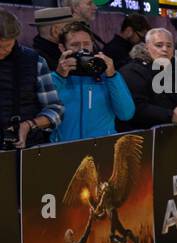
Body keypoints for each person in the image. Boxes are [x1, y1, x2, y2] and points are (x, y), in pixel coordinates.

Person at [49, 21, 133, 141]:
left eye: (87, 44)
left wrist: (112, 76)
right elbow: (43, 114)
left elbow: (126, 114)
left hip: (102, 148)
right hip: (64, 150)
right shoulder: (54, 77)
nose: (82, 49)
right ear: (62, 48)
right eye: (75, 45)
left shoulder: (107, 76)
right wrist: (59, 76)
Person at [0, 9, 63, 146]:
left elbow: (55, 109)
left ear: (15, 38)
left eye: (6, 47)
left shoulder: (35, 62)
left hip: (26, 147)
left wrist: (29, 125)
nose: (1, 52)